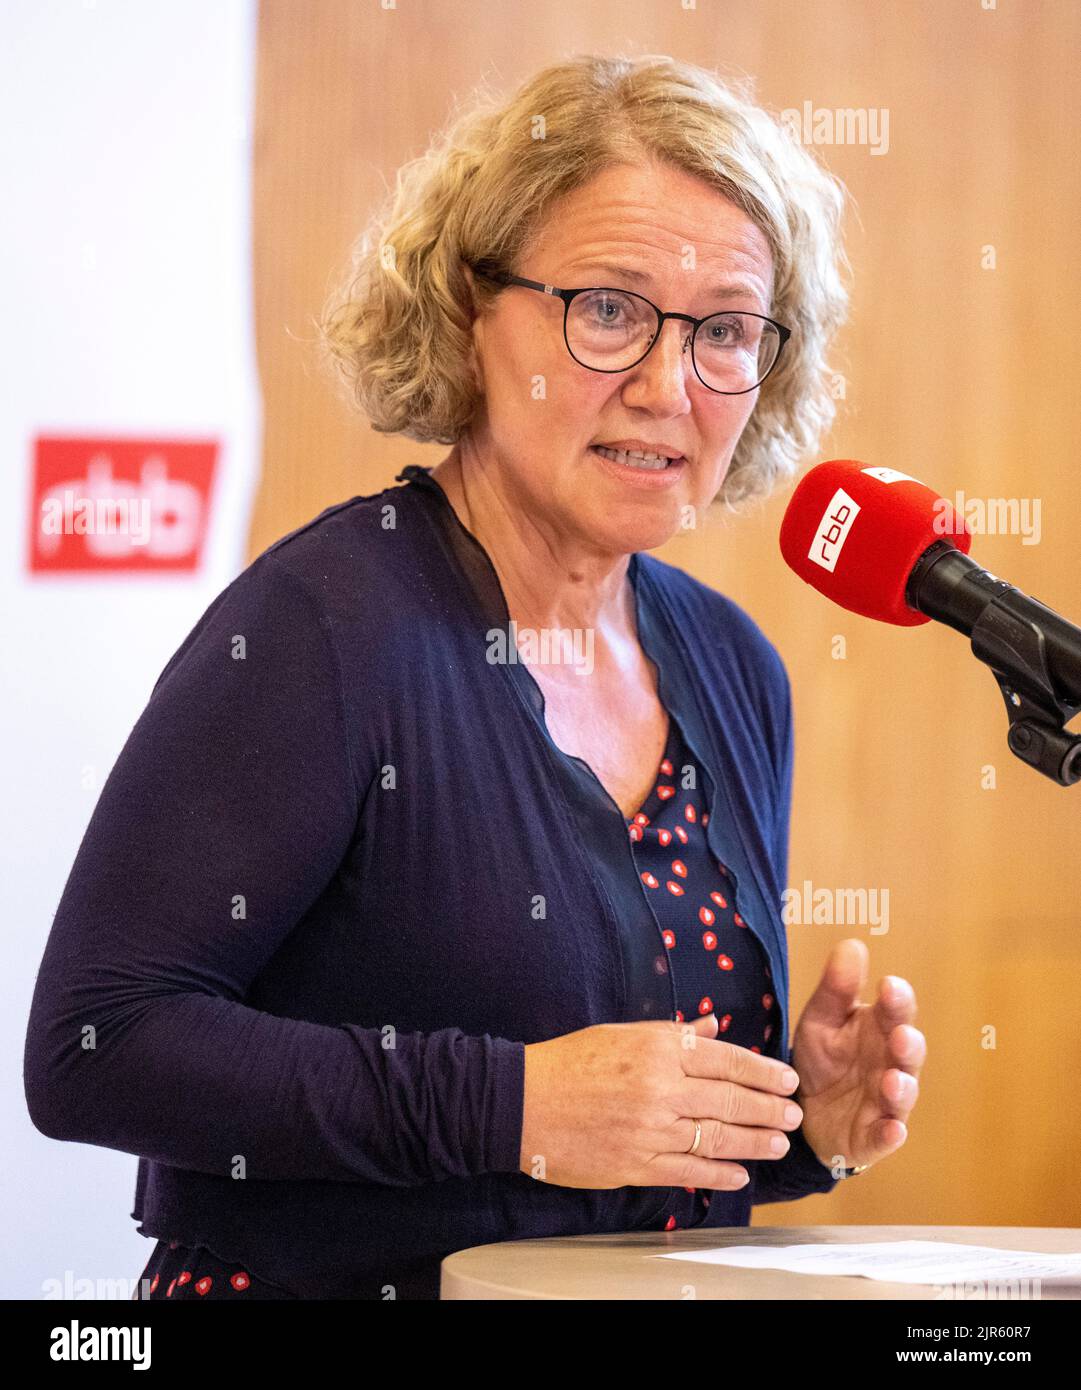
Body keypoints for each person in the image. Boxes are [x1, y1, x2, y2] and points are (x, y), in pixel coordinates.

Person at [24, 52, 925, 1302]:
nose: (669, 387)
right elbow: (96, 1046)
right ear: (465, 309)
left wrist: (790, 1126)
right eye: (608, 309)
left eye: (724, 329)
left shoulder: (733, 667)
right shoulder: (320, 629)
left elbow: (610, 1153)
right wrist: (513, 1102)